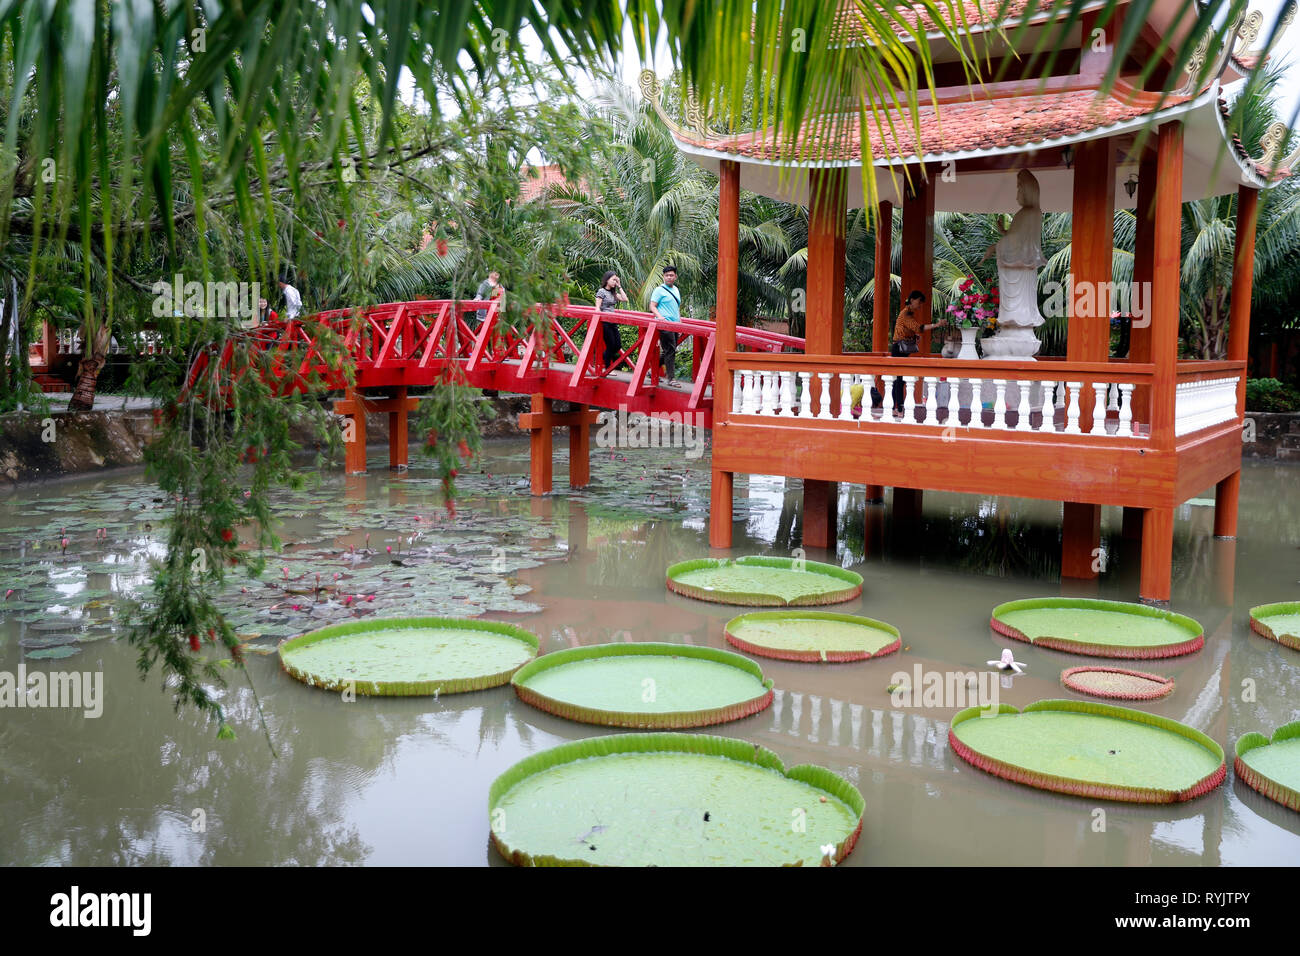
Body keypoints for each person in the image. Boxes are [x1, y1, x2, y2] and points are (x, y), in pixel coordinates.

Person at [890, 290, 941, 412]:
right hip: (899, 349)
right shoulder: (906, 313)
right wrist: (937, 325)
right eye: (919, 302)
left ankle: (895, 408)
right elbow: (918, 327)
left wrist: (914, 336)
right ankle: (899, 409)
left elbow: (909, 329)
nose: (920, 305)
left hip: (901, 348)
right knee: (899, 380)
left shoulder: (908, 314)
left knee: (899, 380)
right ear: (912, 300)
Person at [649, 265, 682, 381]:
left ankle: (651, 370)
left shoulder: (676, 290)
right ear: (663, 277)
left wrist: (680, 324)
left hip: (675, 324)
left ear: (675, 277)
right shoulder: (659, 290)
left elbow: (677, 308)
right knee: (670, 350)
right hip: (664, 324)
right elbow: (652, 306)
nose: (669, 277)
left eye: (671, 275)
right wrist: (660, 317)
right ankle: (671, 379)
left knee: (670, 349)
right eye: (667, 275)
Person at [595, 270, 629, 372]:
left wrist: (619, 286)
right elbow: (597, 307)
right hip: (605, 322)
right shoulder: (601, 291)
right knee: (610, 345)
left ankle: (604, 357)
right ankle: (607, 368)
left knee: (617, 345)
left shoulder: (613, 293)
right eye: (613, 279)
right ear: (607, 280)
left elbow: (625, 299)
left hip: (613, 322)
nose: (615, 281)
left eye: (616, 280)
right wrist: (599, 317)